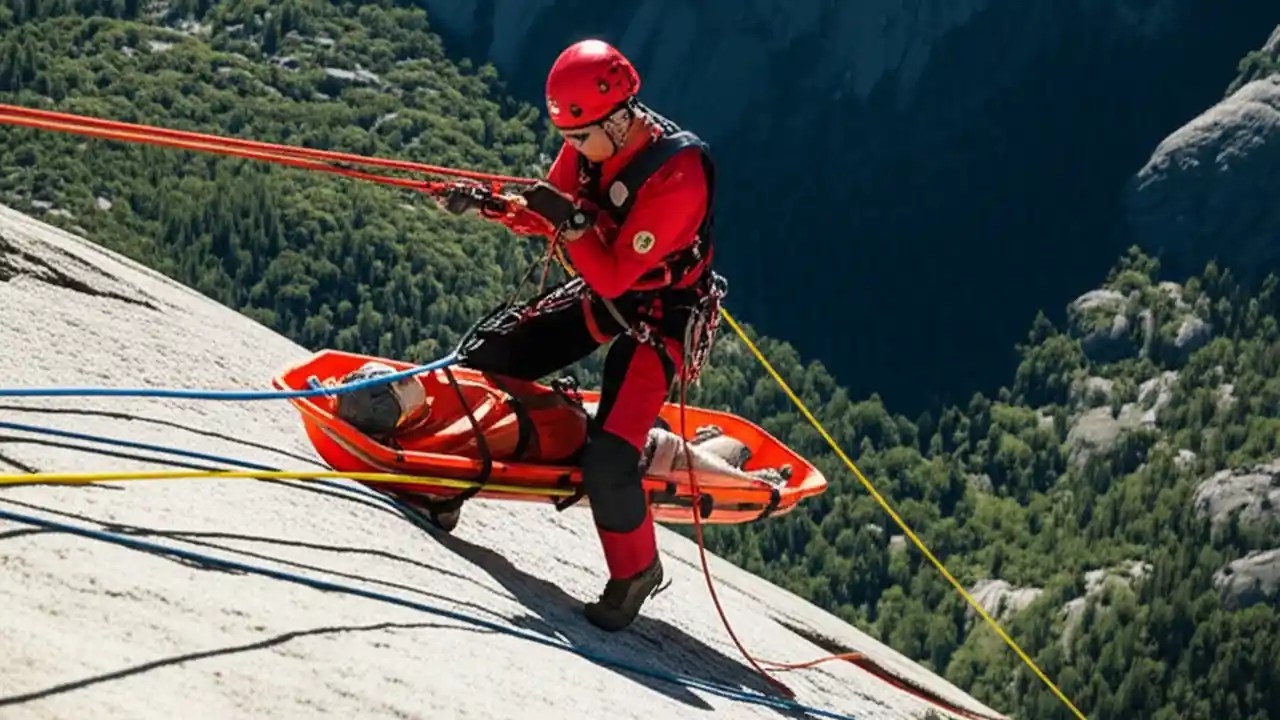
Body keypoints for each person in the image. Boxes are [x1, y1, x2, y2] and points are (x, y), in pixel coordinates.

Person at [433, 38, 726, 632]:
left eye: (580, 138)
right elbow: (553, 211)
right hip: (606, 290)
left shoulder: (679, 176)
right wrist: (491, 205)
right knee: (488, 360)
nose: (572, 150)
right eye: (566, 138)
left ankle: (636, 571)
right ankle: (447, 479)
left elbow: (616, 272)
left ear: (619, 119)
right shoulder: (593, 144)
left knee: (610, 460)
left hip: (660, 317)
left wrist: (568, 222)